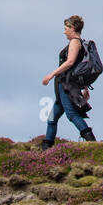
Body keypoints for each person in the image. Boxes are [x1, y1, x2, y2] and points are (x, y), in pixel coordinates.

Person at [41, 14, 96, 147]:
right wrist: (85, 88)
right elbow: (80, 66)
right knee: (52, 119)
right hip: (65, 84)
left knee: (71, 114)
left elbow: (70, 62)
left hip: (66, 84)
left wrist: (51, 74)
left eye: (66, 28)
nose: (64, 31)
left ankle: (92, 142)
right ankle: (46, 149)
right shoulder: (79, 43)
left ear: (72, 28)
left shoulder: (75, 42)